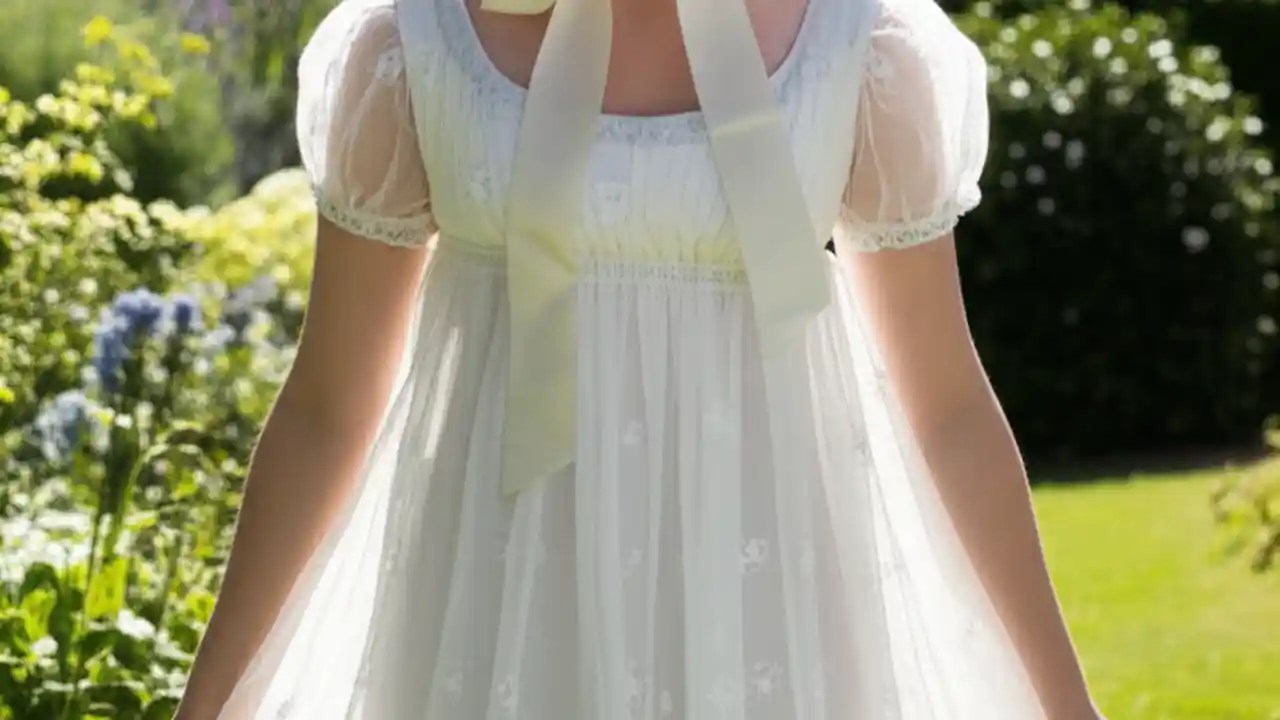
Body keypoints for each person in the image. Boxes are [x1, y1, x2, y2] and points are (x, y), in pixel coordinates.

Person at [176, 0, 1104, 717]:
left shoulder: (861, 48)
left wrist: (1066, 703)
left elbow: (946, 412)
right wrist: (210, 704)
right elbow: (326, 411)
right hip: (497, 609)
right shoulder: (415, 43)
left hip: (770, 610)